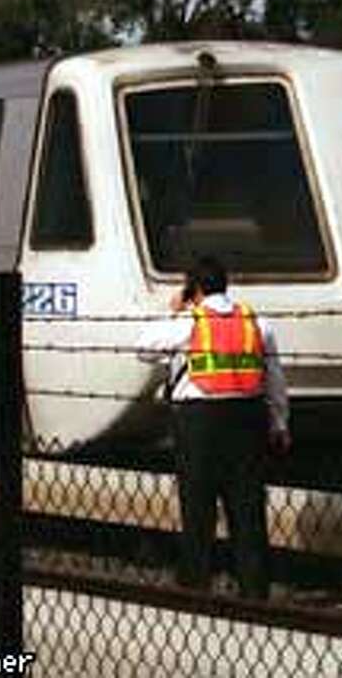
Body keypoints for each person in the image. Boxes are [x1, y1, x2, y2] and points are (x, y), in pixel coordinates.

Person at [137, 255, 291, 598]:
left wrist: (174, 310)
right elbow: (275, 379)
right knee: (248, 508)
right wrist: (279, 422)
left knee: (198, 507)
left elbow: (143, 348)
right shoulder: (256, 322)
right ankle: (254, 591)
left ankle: (195, 585)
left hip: (199, 422)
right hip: (249, 419)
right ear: (226, 284)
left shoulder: (190, 322)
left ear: (194, 288)